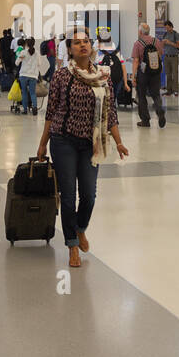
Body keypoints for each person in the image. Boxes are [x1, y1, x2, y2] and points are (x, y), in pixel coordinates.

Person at [37, 28, 129, 267]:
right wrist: (42, 145)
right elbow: (51, 112)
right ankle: (71, 245)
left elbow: (110, 112)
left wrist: (119, 142)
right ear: (69, 49)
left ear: (92, 46)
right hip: (63, 139)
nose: (82, 46)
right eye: (77, 43)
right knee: (68, 196)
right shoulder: (61, 76)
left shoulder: (103, 75)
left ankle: (80, 228)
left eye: (86, 42)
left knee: (89, 194)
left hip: (91, 143)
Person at [129, 23, 166, 128]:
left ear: (140, 32)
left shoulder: (138, 43)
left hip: (143, 73)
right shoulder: (156, 41)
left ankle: (145, 120)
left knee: (141, 96)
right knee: (156, 94)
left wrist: (133, 76)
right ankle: (159, 110)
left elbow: (136, 61)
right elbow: (160, 54)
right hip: (155, 72)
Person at [17, 38, 47, 116]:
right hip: (33, 75)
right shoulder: (37, 53)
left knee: (24, 92)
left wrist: (21, 58)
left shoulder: (23, 52)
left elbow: (16, 63)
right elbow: (39, 64)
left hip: (23, 74)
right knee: (32, 92)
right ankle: (34, 108)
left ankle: (25, 109)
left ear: (26, 44)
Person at [162, 19, 179, 96]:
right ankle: (169, 90)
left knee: (175, 74)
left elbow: (178, 46)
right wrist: (163, 43)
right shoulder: (165, 34)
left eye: (167, 28)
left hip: (174, 57)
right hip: (166, 57)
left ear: (171, 27)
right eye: (165, 28)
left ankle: (176, 90)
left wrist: (169, 42)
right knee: (168, 74)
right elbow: (162, 46)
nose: (166, 29)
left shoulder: (176, 35)